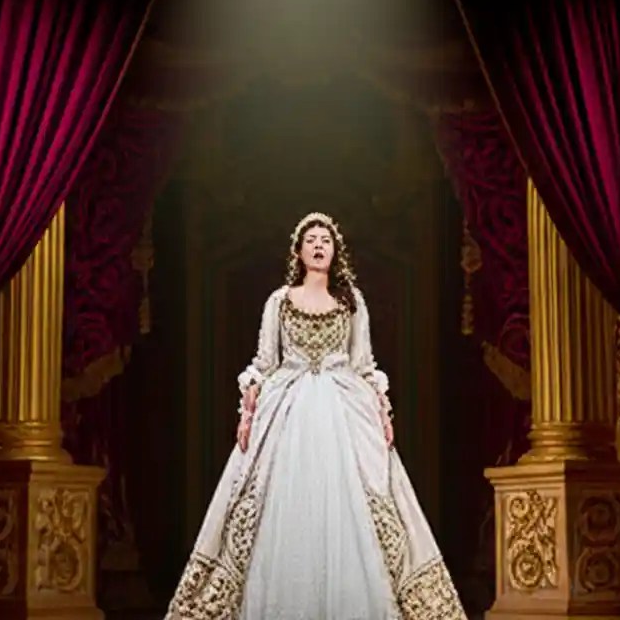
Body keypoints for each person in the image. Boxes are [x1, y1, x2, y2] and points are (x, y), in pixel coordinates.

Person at [166, 212, 465, 620]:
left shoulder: (351, 301)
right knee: (279, 503)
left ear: (335, 251)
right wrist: (249, 404)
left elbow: (364, 363)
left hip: (345, 406)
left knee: (357, 503)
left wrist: (382, 410)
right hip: (287, 408)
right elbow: (265, 362)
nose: (319, 245)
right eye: (311, 240)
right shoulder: (279, 301)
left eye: (326, 239)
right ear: (299, 252)